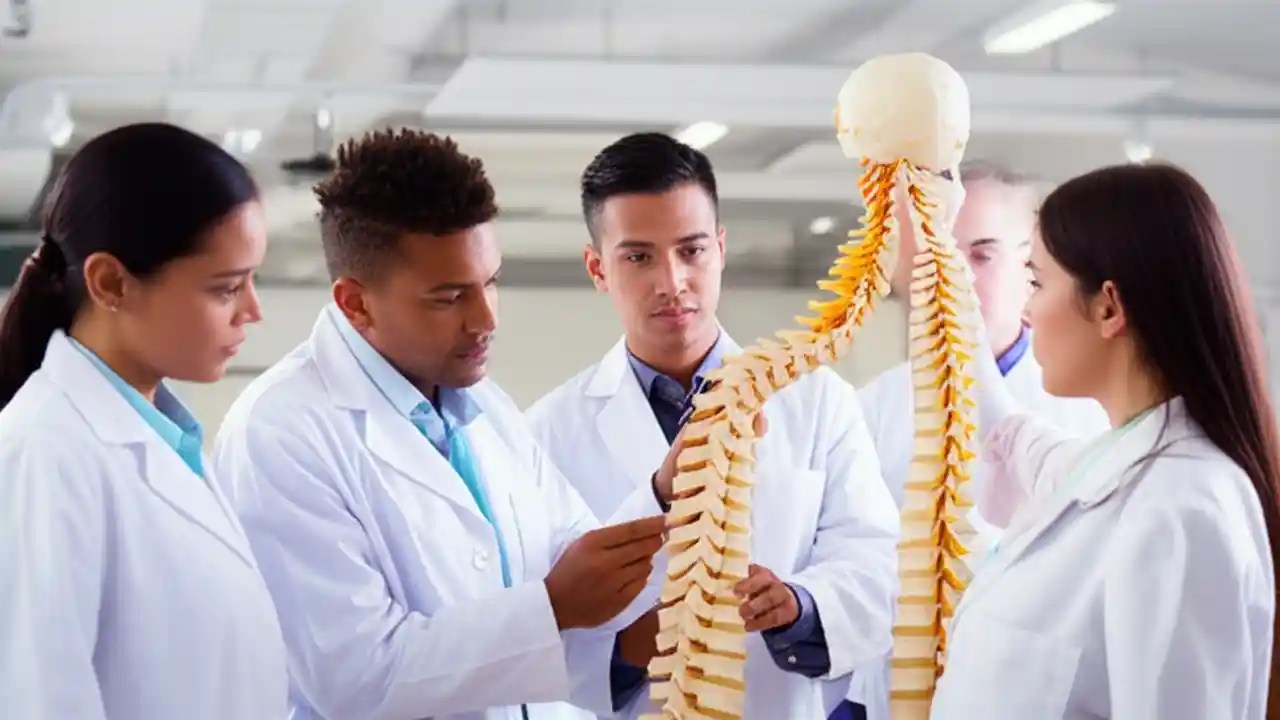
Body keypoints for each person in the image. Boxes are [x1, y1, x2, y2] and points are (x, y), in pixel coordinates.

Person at [211, 128, 680, 720]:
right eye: (449, 296)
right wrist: (551, 609)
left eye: (491, 282)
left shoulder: (487, 408)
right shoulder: (281, 432)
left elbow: (577, 567)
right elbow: (357, 679)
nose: (486, 318)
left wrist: (668, 493)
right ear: (356, 303)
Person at [526, 132, 900, 720]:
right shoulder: (546, 433)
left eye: (692, 250)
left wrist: (801, 607)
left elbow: (880, 564)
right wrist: (626, 650)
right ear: (598, 268)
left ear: (721, 249)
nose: (672, 281)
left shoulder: (817, 400)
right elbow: (537, 627)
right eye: (638, 256)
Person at [931, 162, 1279, 719]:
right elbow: (1016, 437)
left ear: (1108, 307)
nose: (1025, 309)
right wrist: (953, 307)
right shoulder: (1119, 468)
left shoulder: (1180, 511)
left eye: (1037, 281)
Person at [0, 123, 285, 719]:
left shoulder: (170, 442)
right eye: (226, 288)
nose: (252, 310)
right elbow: (40, 701)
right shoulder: (47, 450)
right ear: (111, 283)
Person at [847, 161, 1112, 720]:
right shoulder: (871, 408)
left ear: (1032, 267)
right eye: (935, 254)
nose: (954, 276)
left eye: (982, 254)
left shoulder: (1092, 411)